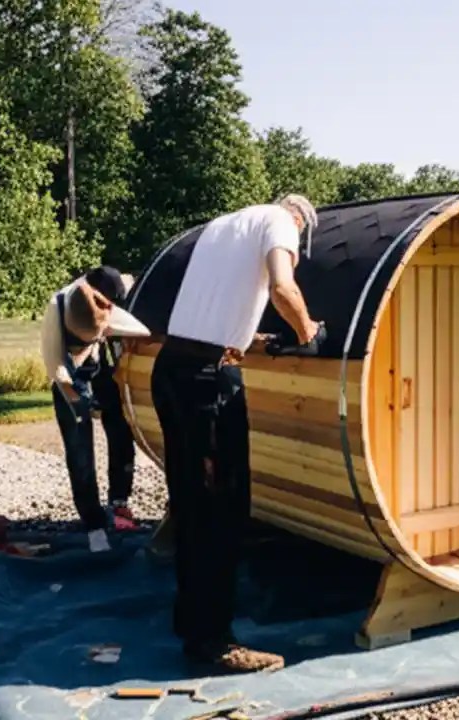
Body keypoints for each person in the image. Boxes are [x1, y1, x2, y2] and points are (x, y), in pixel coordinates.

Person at [149, 194, 325, 673]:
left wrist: (252, 338)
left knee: (191, 505)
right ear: (301, 224)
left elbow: (215, 305)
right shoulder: (282, 225)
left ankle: (192, 627)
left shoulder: (224, 225)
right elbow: (283, 289)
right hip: (206, 381)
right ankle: (216, 641)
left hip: (173, 370)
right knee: (222, 510)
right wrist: (308, 331)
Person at [40, 266, 149, 553]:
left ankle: (119, 503)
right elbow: (58, 372)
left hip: (100, 368)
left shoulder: (108, 303)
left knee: (120, 426)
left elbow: (144, 330)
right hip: (69, 374)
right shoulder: (57, 308)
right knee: (80, 451)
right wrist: (79, 403)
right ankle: (93, 523)